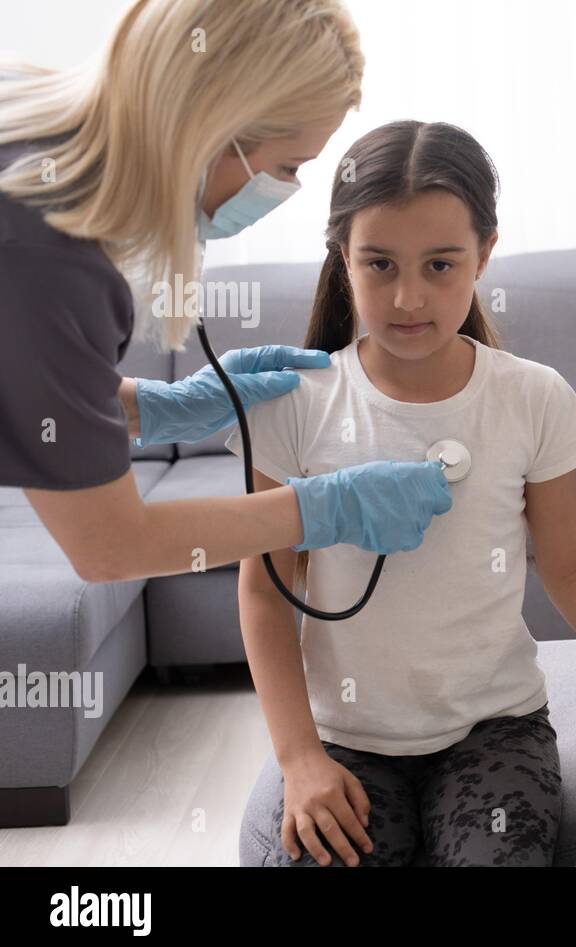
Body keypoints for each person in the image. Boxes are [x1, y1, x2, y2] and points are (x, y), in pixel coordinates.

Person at [229, 121, 576, 866]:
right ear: (342, 256)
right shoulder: (292, 403)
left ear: (485, 255)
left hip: (494, 731)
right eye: (379, 264)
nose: (409, 297)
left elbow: (571, 570)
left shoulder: (531, 398)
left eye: (441, 265)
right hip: (346, 738)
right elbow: (266, 590)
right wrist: (299, 758)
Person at [0, 0, 450, 586]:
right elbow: (108, 546)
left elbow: (31, 392)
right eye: (288, 166)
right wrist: (323, 508)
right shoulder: (50, 260)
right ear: (212, 126)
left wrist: (160, 407)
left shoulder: (23, 113)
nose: (287, 188)